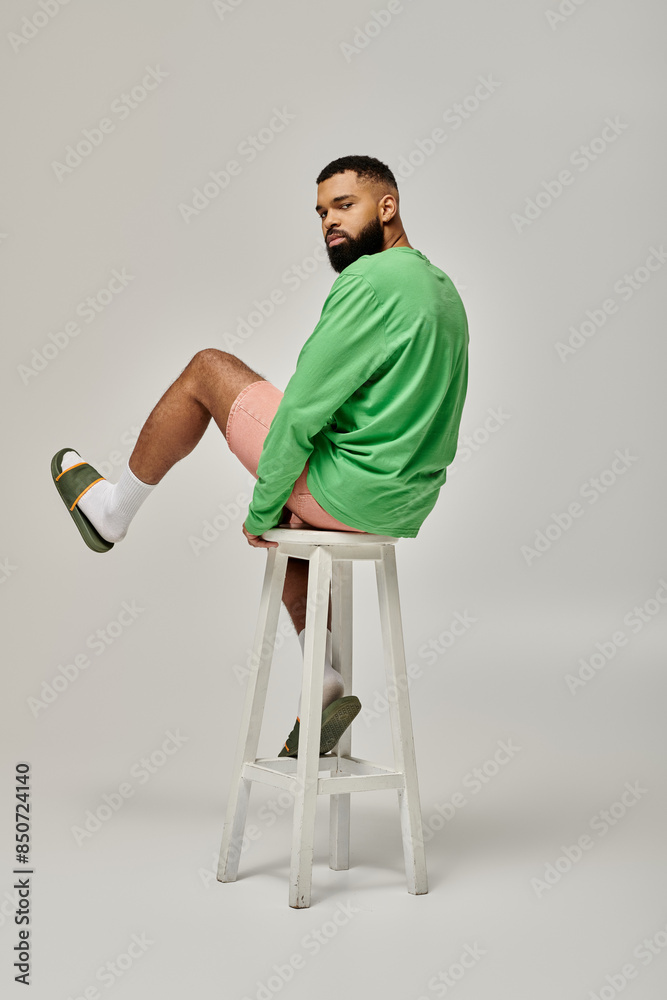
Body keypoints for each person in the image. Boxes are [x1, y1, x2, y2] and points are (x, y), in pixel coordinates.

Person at [51, 154, 469, 758]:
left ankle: (113, 512)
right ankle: (324, 680)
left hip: (347, 490)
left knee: (207, 369)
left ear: (388, 207)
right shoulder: (443, 291)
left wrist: (262, 511)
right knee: (298, 513)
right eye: (321, 213)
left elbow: (299, 413)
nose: (329, 222)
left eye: (344, 206)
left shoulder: (368, 282)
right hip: (401, 504)